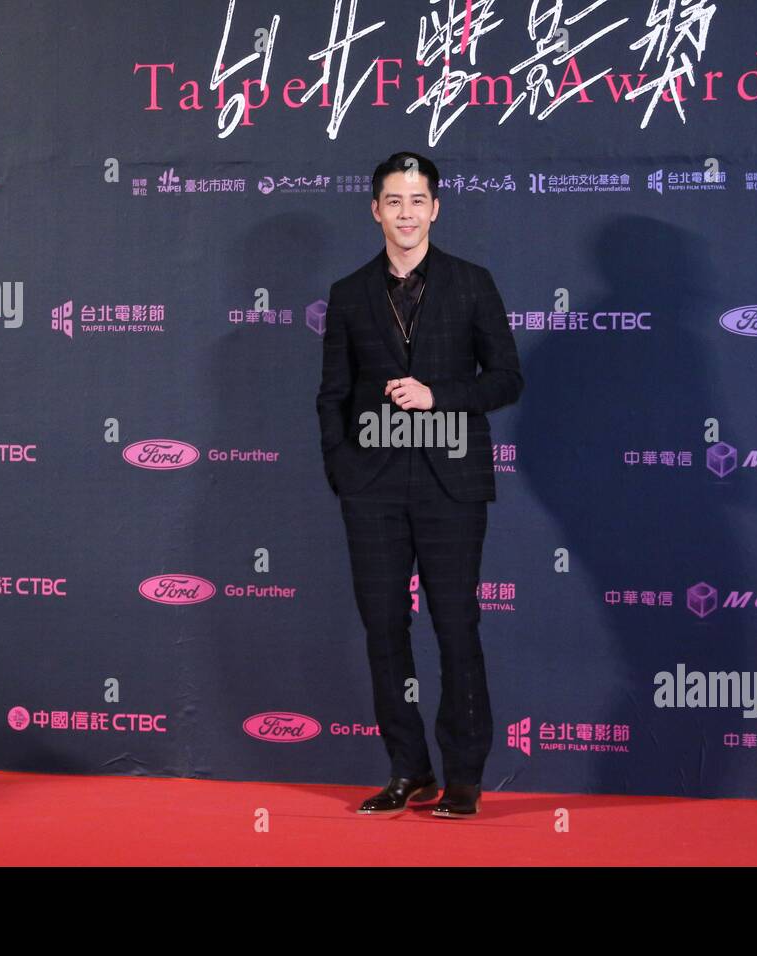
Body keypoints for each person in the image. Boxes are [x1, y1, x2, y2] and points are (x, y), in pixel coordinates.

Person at [316, 151, 523, 818]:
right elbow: (332, 396)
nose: (406, 213)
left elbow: (506, 379)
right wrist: (344, 472)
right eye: (394, 201)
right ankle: (410, 769)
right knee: (384, 628)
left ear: (435, 208)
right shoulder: (349, 294)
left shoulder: (471, 284)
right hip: (372, 486)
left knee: (456, 626)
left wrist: (440, 396)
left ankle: (464, 774)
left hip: (450, 482)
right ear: (375, 209)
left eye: (418, 200)